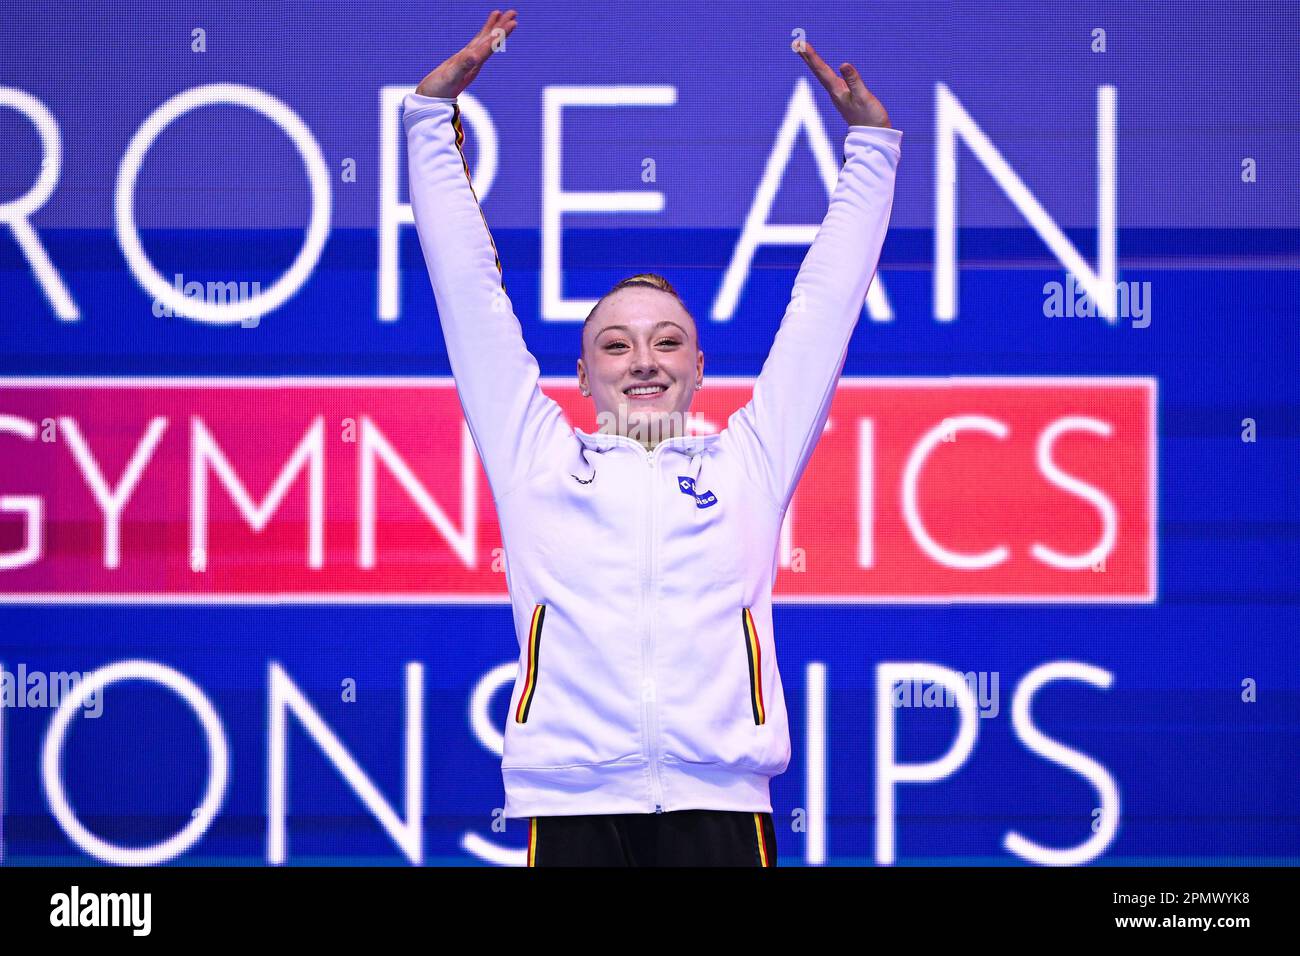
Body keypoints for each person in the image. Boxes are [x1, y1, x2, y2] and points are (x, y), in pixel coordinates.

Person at [404, 9, 901, 865]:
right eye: (616, 344)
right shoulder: (537, 462)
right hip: (569, 812)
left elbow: (824, 307)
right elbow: (469, 294)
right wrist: (428, 128)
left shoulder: (749, 463)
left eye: (667, 340)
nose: (643, 360)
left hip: (722, 809)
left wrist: (871, 153)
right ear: (582, 374)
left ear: (700, 366)